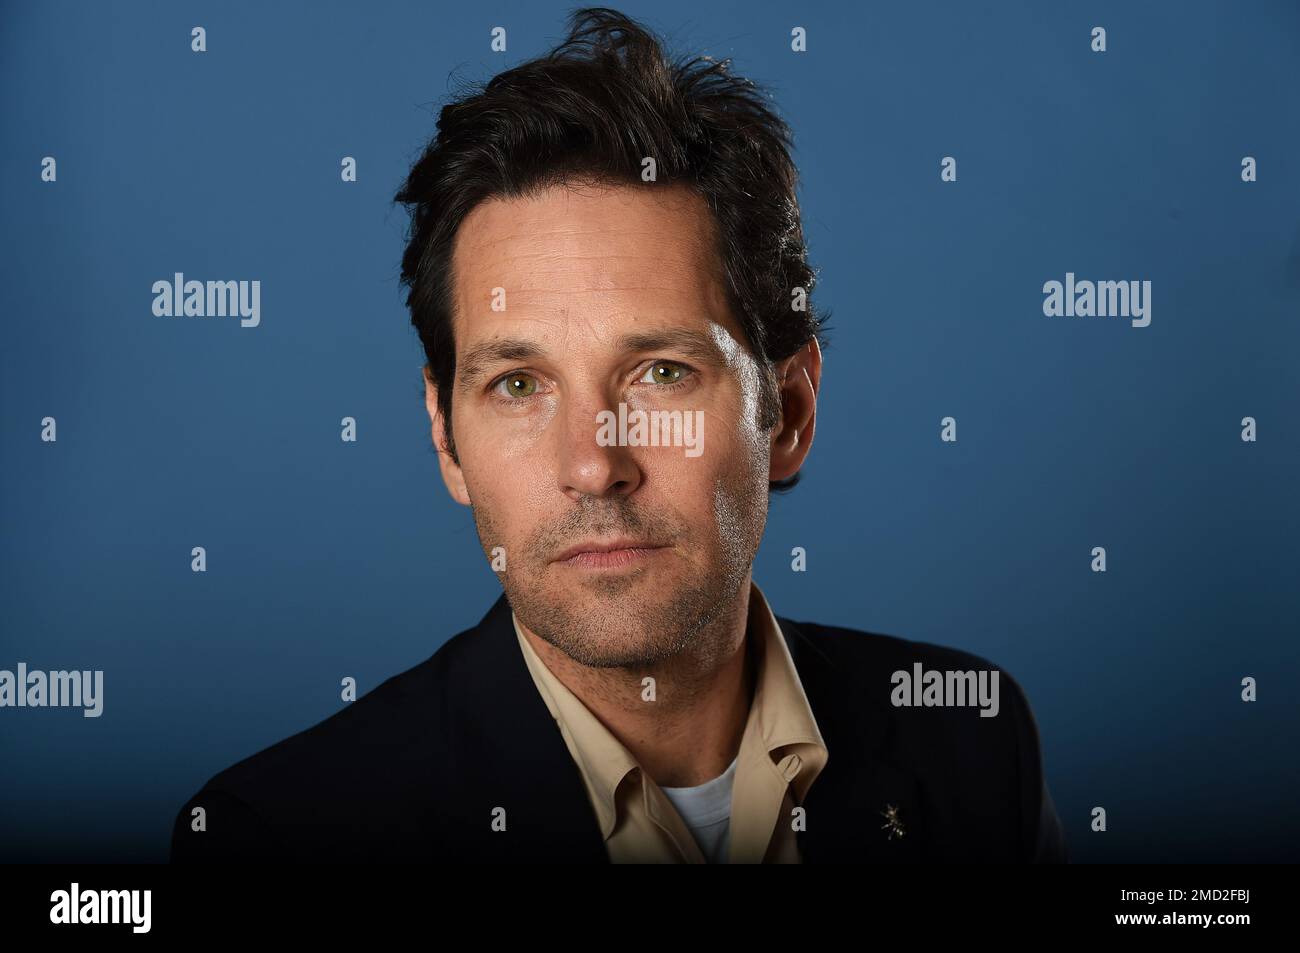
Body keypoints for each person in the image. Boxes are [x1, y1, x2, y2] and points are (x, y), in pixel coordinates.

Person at [171, 6, 1066, 864]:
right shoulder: (281, 836)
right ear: (445, 438)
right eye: (518, 385)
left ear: (786, 410)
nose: (593, 465)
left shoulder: (973, 741)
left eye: (662, 374)